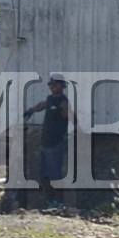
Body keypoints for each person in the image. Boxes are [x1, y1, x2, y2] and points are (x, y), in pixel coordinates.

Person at [23, 72, 74, 208]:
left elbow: (73, 120)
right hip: (45, 143)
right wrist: (30, 111)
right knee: (43, 176)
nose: (53, 87)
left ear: (63, 86)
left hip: (56, 144)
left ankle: (59, 203)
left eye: (56, 84)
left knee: (55, 177)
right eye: (51, 84)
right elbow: (42, 105)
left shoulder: (63, 102)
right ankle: (51, 201)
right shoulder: (50, 99)